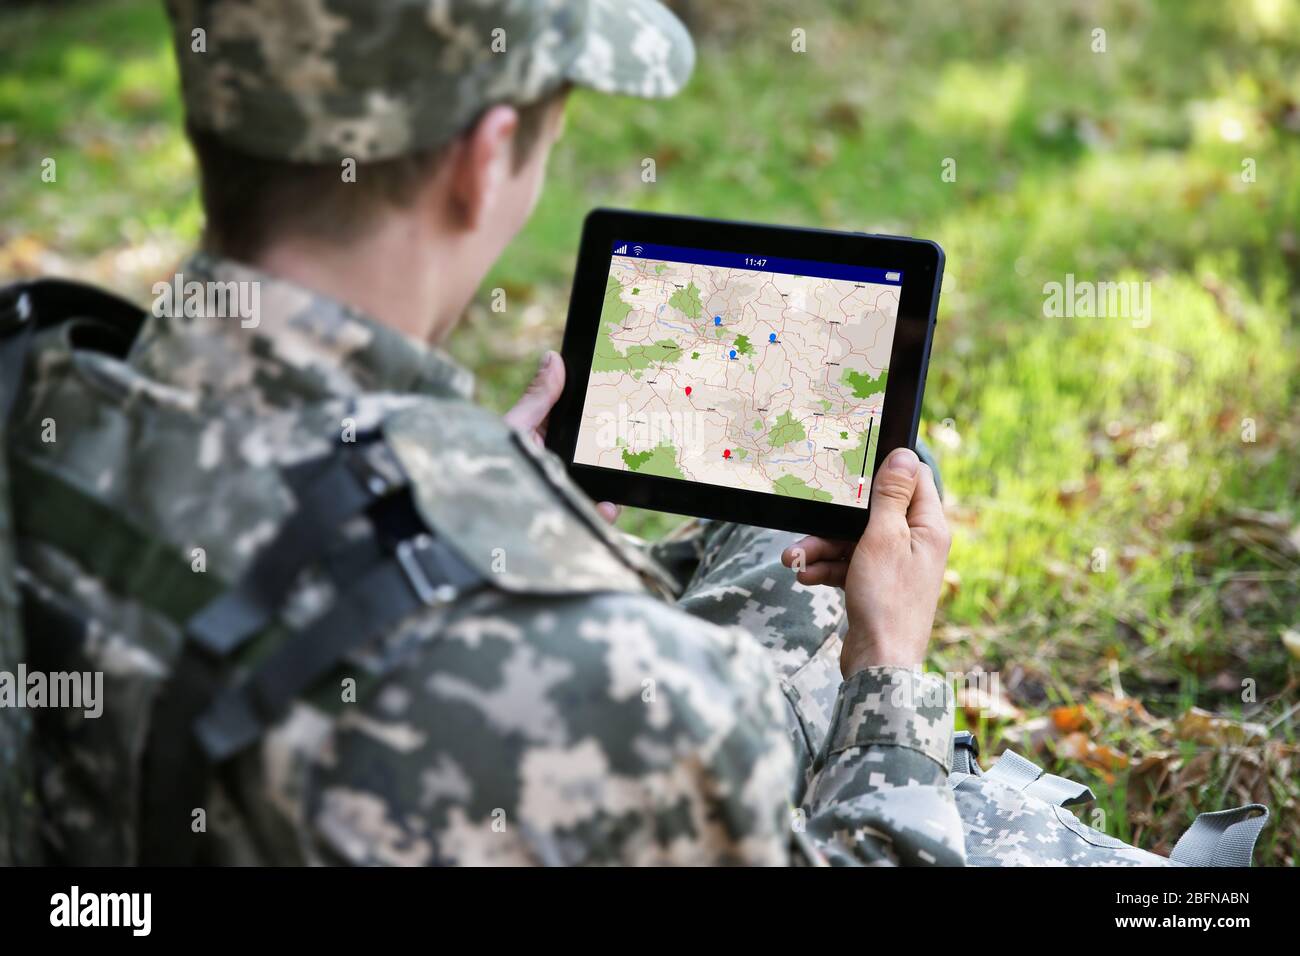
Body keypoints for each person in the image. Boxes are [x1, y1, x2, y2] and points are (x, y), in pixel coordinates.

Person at [4, 0, 1259, 867]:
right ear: (483, 158)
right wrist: (887, 670)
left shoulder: (33, 407)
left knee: (757, 538)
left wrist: (440, 496)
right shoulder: (620, 688)